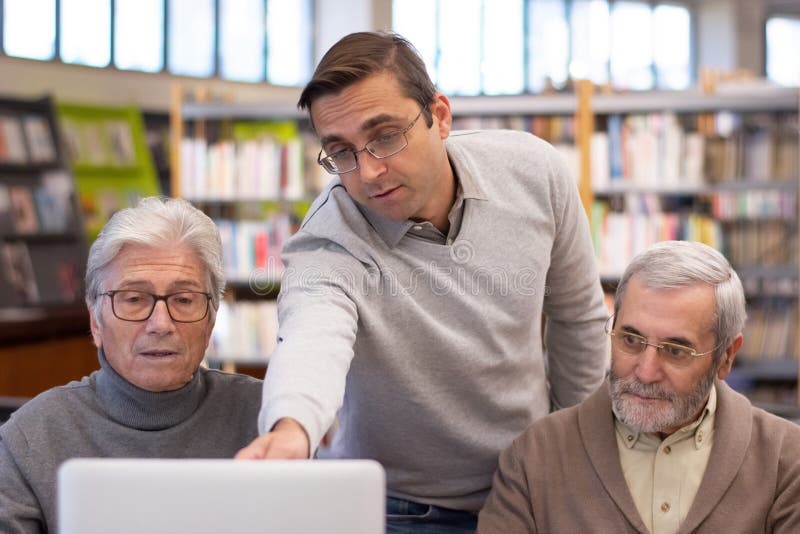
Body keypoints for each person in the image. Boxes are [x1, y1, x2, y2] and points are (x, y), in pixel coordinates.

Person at [235, 31, 608, 532]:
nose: (368, 172)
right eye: (341, 151)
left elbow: (578, 318)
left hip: (530, 488)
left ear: (441, 116)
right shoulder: (331, 238)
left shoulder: (534, 173)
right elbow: (310, 340)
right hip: (395, 507)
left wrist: (569, 453)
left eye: (386, 135)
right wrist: (291, 429)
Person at [477, 240, 800, 533]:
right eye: (631, 340)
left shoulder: (786, 462)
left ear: (726, 357)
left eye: (676, 350)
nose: (645, 372)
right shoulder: (534, 456)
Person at [0, 197, 263, 533]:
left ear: (211, 321)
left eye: (183, 300)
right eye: (134, 299)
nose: (161, 323)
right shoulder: (31, 439)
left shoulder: (266, 420)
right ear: (95, 321)